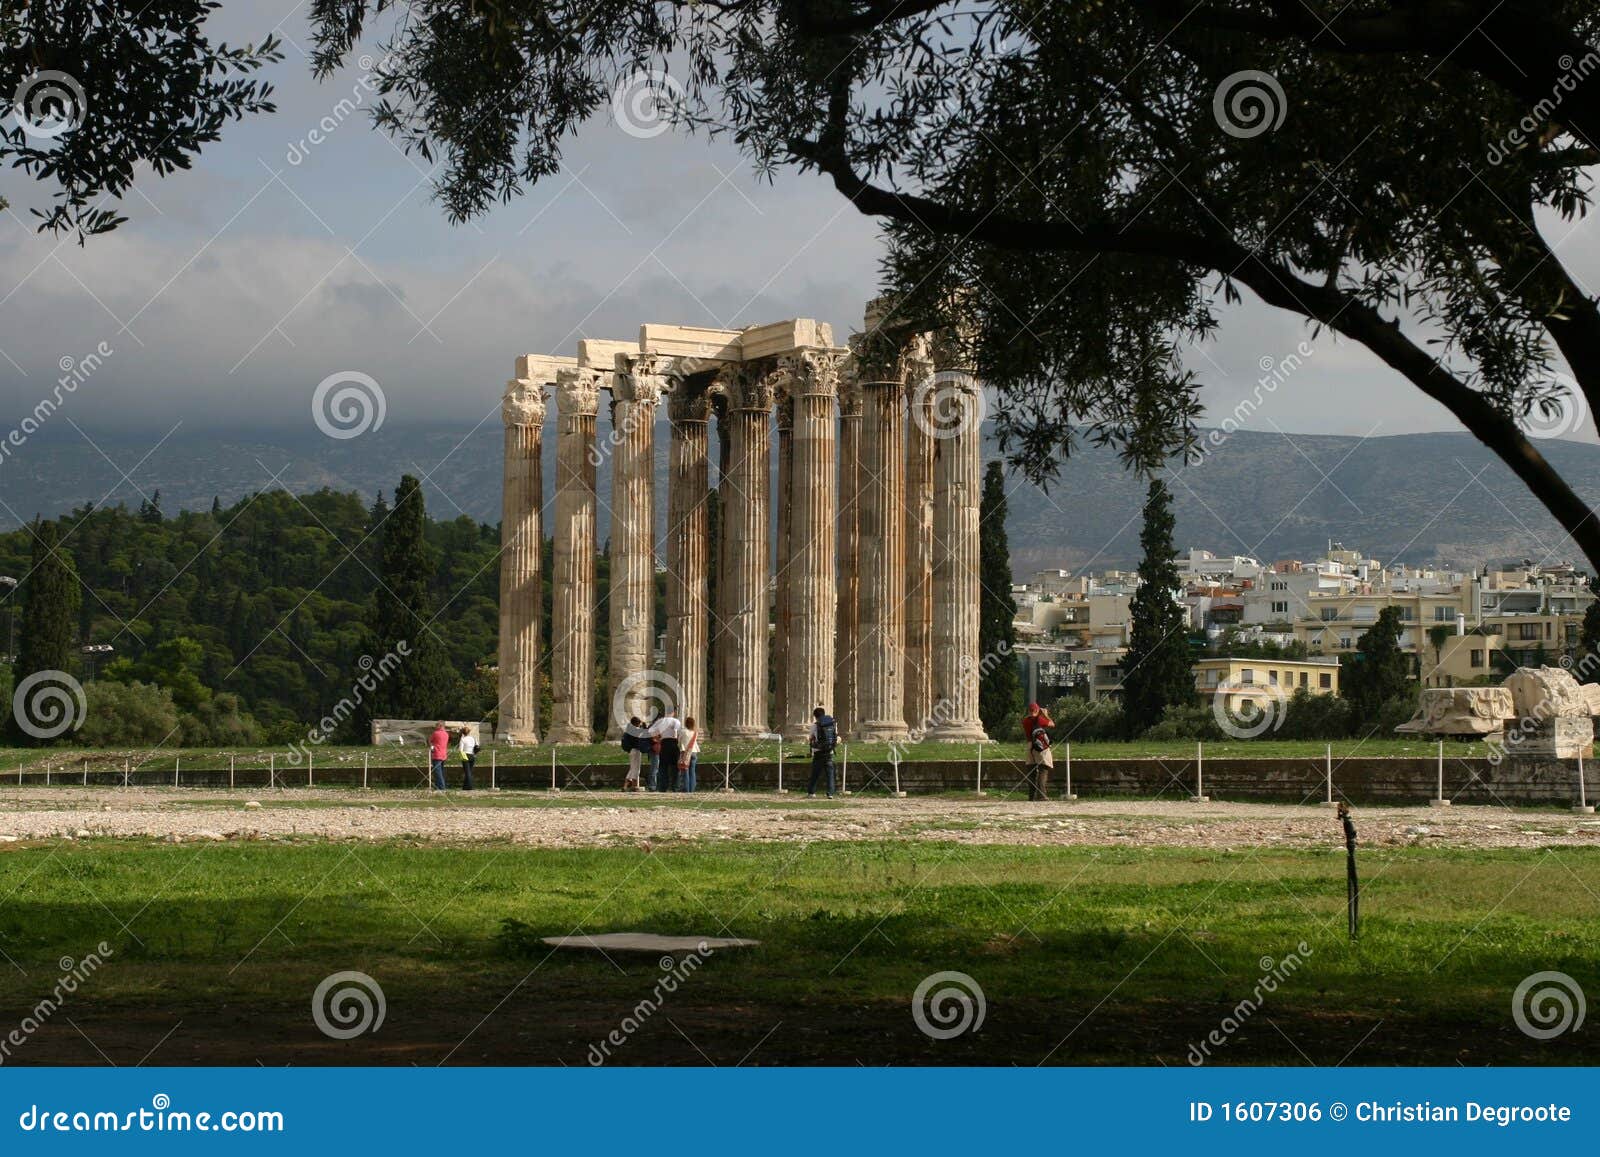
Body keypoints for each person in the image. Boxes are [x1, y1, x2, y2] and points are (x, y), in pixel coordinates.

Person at [807, 705, 838, 799]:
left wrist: (811, 748)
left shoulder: (815, 725)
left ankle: (811, 792)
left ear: (815, 716)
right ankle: (830, 793)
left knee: (815, 773)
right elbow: (835, 736)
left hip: (818, 752)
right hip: (829, 751)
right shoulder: (832, 724)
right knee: (830, 774)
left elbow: (811, 738)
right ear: (824, 714)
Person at [651, 709, 685, 792]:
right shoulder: (675, 721)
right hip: (673, 743)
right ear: (673, 712)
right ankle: (675, 787)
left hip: (664, 743)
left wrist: (658, 738)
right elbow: (677, 732)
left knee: (663, 766)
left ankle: (662, 787)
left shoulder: (660, 721)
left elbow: (651, 731)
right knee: (675, 767)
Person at [1026, 726, 1053, 801]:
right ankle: (1041, 795)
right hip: (1041, 748)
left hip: (1030, 746)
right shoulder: (1041, 719)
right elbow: (1052, 724)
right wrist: (1045, 715)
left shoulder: (1026, 720)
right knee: (1043, 770)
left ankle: (1031, 796)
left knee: (1031, 772)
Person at [622, 715, 647, 791]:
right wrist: (644, 727)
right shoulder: (635, 729)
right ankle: (634, 784)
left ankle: (626, 785)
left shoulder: (629, 729)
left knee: (632, 767)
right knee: (636, 768)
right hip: (636, 750)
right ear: (636, 723)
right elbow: (644, 734)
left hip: (631, 750)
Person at [679, 716, 701, 793]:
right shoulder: (695, 732)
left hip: (685, 752)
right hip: (694, 751)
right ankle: (692, 789)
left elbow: (679, 740)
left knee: (685, 771)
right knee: (692, 771)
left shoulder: (683, 731)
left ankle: (686, 789)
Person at [428, 722, 449, 791]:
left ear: (439, 726)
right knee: (441, 771)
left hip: (437, 754)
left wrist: (431, 745)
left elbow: (429, 740)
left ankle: (442, 787)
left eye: (436, 726)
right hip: (444, 754)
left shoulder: (435, 733)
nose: (435, 727)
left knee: (437, 771)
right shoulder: (446, 734)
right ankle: (437, 786)